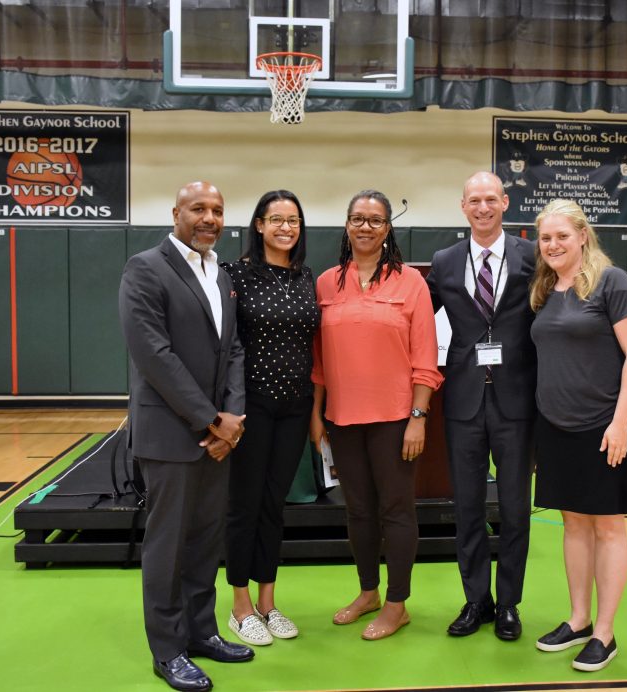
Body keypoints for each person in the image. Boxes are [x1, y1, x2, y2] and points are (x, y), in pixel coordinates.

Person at [119, 181, 255, 692]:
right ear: (176, 212)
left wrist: (233, 416)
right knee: (168, 546)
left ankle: (202, 633)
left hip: (219, 434)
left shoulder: (218, 273)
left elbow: (234, 350)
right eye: (198, 208)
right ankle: (168, 649)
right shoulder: (145, 268)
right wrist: (210, 420)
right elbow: (155, 357)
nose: (209, 218)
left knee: (203, 543)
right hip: (172, 435)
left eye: (217, 210)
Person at [309, 189, 443, 641]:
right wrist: (316, 414)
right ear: (346, 225)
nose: (365, 226)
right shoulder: (327, 282)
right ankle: (368, 591)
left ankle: (397, 604)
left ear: (388, 229)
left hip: (394, 419)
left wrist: (418, 416)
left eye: (375, 220)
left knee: (396, 510)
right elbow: (319, 361)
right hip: (342, 418)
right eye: (357, 218)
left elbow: (425, 357)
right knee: (359, 511)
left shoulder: (411, 283)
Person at [528, 199, 627, 672]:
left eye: (562, 236)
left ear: (583, 235)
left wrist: (620, 423)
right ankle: (578, 619)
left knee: (608, 525)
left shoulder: (612, 282)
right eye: (545, 238)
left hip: (603, 426)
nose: (553, 245)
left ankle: (605, 632)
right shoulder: (546, 287)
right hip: (555, 426)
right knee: (573, 523)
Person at [426, 171, 538, 641]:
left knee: (514, 509)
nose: (483, 207)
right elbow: (415, 317)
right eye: (475, 200)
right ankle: (477, 600)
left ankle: (509, 603)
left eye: (491, 199)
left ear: (505, 202)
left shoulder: (534, 256)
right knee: (468, 508)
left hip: (517, 401)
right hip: (464, 402)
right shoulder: (444, 261)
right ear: (463, 206)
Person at [222, 190, 320, 646]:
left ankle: (268, 601)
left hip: (295, 407)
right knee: (245, 504)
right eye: (276, 219)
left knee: (273, 506)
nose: (286, 227)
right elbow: (225, 347)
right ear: (259, 224)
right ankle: (239, 605)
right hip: (251, 407)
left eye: (293, 220)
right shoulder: (235, 275)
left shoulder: (305, 277)